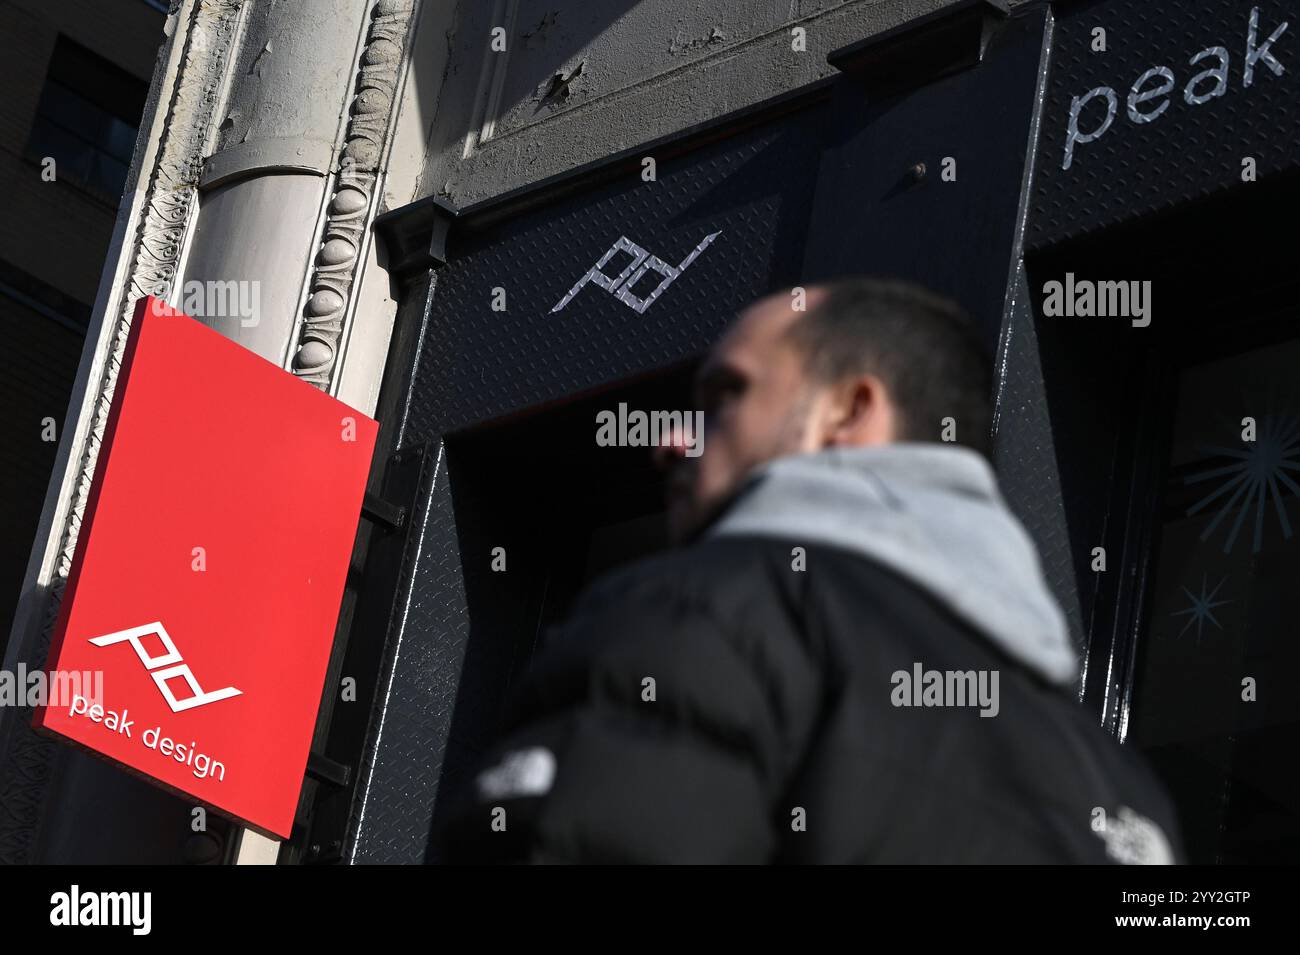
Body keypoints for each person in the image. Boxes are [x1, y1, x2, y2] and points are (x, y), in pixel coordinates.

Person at [436, 277, 1184, 864]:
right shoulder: (1120, 788)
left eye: (727, 395)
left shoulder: (711, 611)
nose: (669, 440)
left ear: (848, 412)